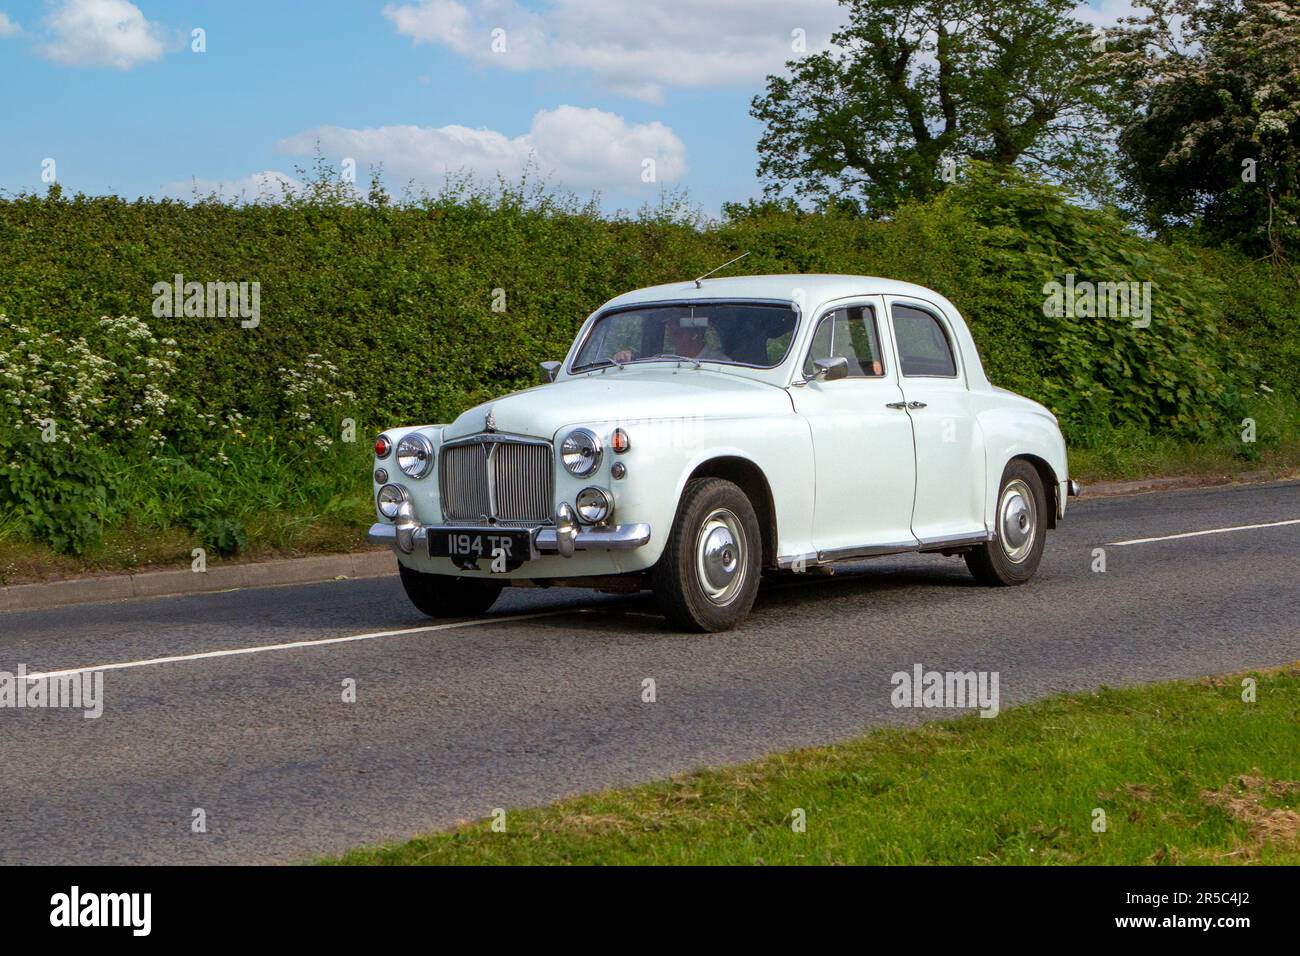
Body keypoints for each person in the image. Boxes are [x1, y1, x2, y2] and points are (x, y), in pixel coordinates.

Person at [614, 316, 731, 364]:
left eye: (677, 333)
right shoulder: (663, 360)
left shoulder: (720, 362)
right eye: (670, 332)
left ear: (695, 335)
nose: (671, 338)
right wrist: (627, 357)